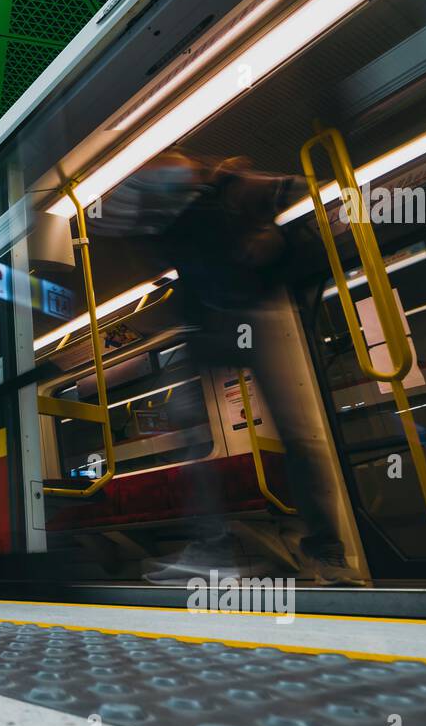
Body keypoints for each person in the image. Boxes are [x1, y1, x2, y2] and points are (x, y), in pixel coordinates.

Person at [91, 151, 358, 585]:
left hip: (249, 313)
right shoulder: (170, 218)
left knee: (290, 431)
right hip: (210, 321)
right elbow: (111, 219)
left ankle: (321, 549)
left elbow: (303, 184)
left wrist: (267, 227)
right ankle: (220, 549)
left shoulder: (228, 188)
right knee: (197, 430)